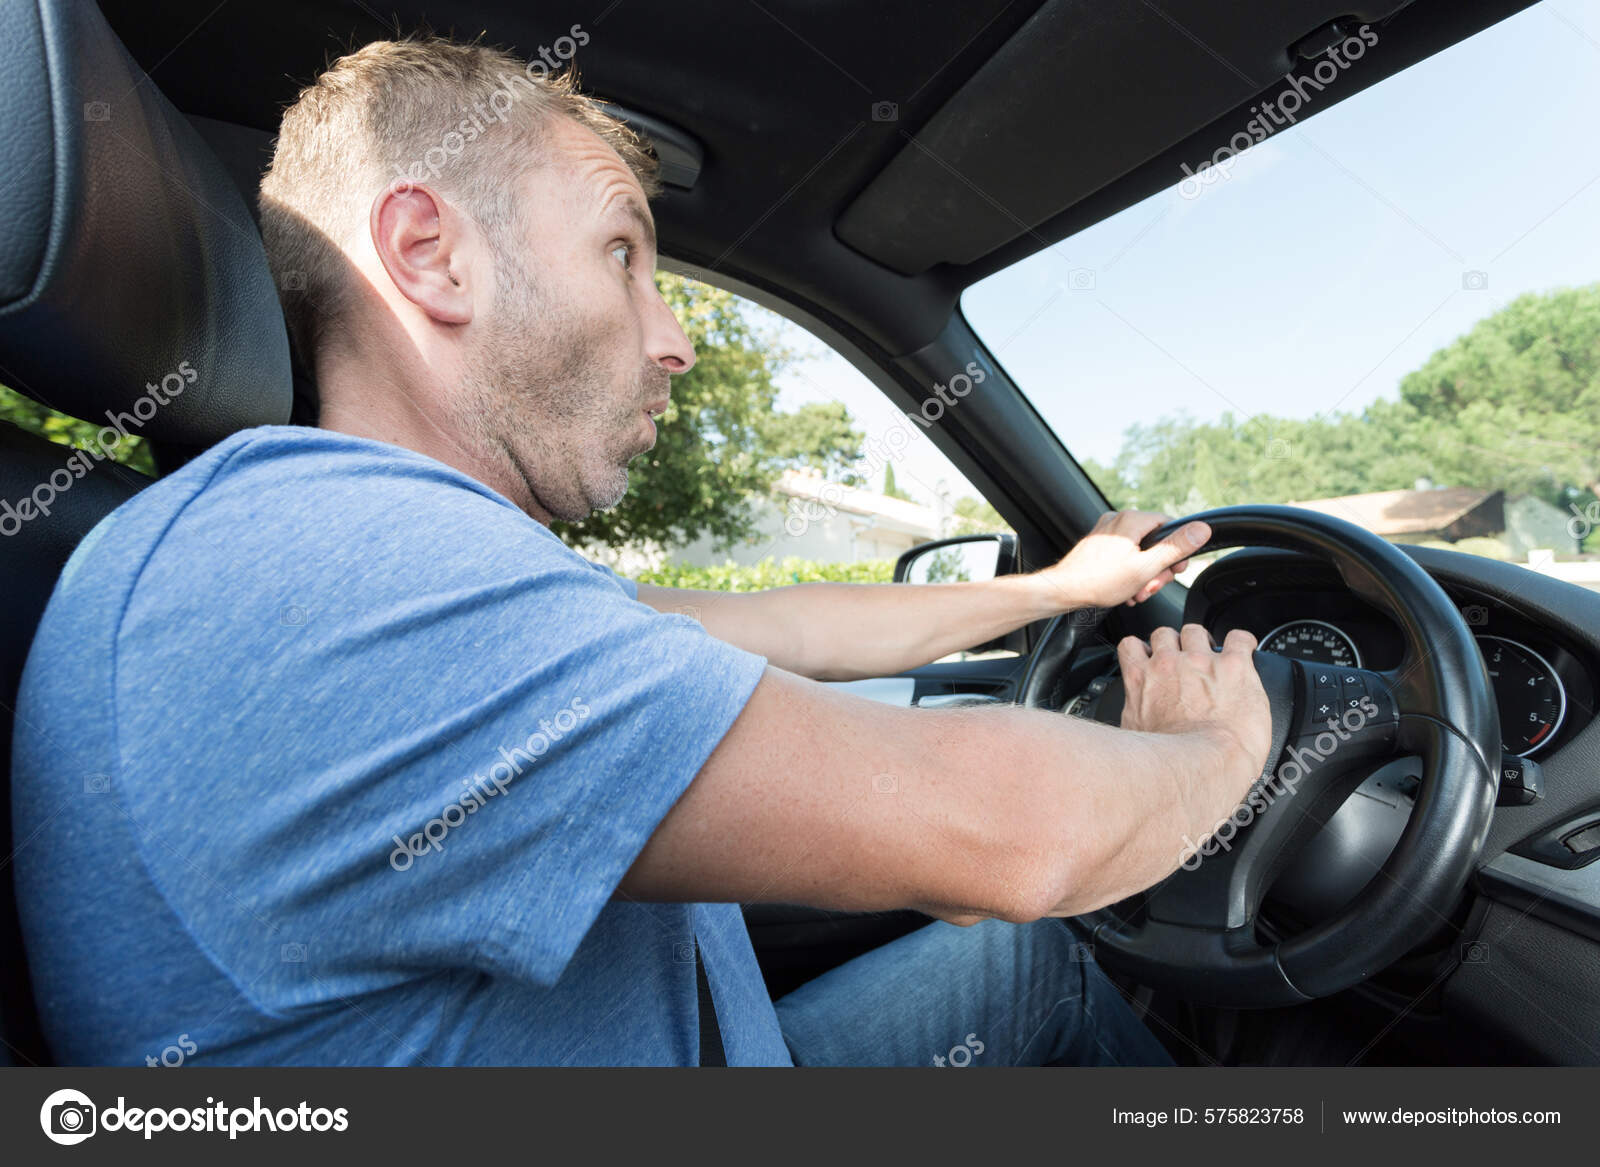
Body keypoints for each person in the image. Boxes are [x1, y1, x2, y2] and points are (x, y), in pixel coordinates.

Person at [11, 38, 1270, 1067]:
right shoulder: (334, 572)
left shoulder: (327, 548)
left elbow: (792, 627)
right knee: (1027, 947)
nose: (672, 339)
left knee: (1013, 961)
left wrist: (1056, 590)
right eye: (624, 253)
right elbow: (1012, 839)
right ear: (428, 254)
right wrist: (1219, 749)